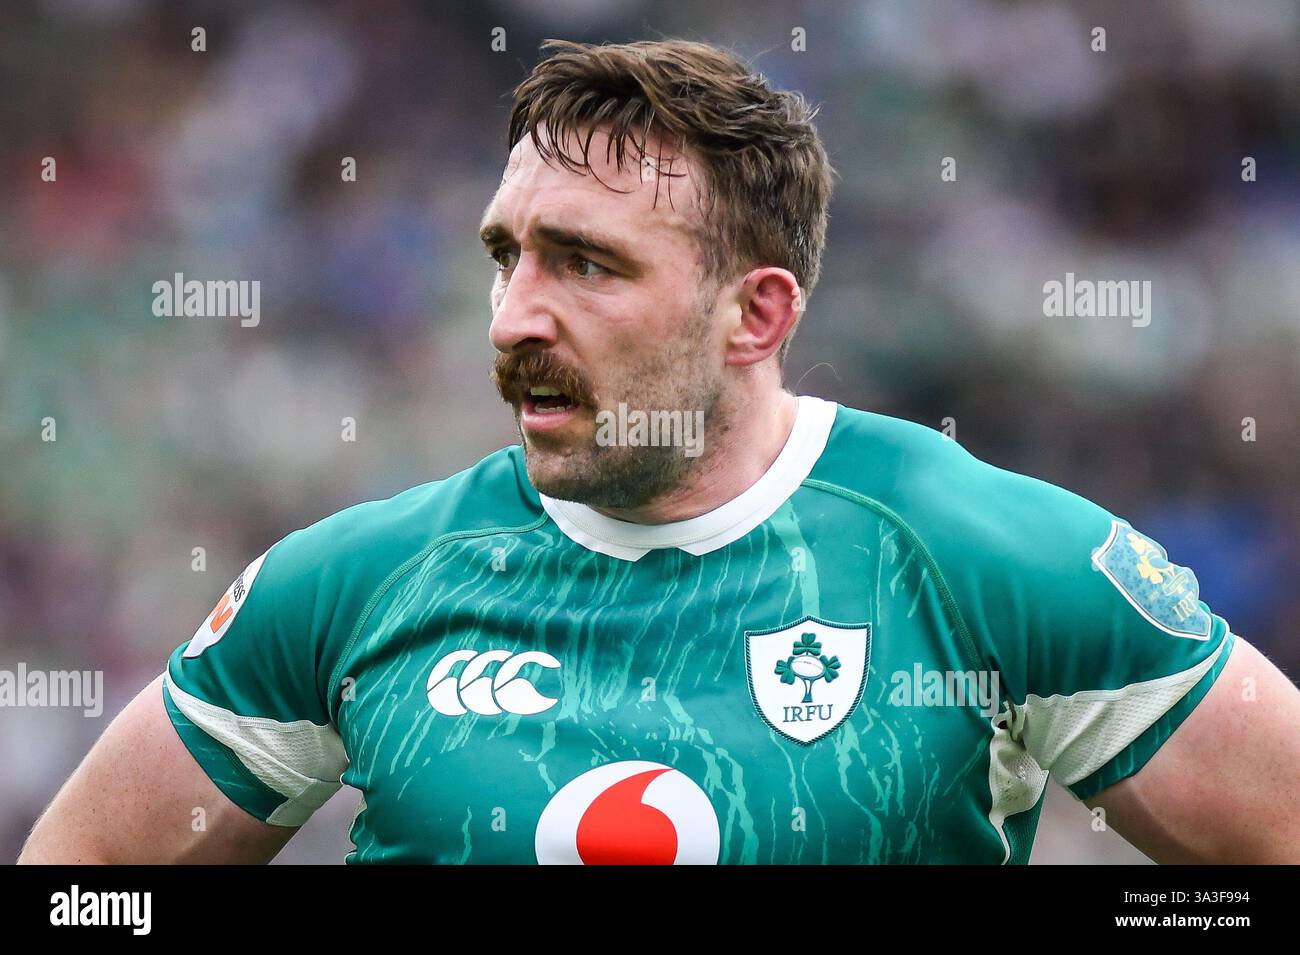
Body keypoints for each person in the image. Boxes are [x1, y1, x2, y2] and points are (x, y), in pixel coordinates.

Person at [20, 38, 1300, 865]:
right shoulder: (346, 586)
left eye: (585, 263)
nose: (517, 313)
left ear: (758, 313)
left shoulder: (990, 559)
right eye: (504, 256)